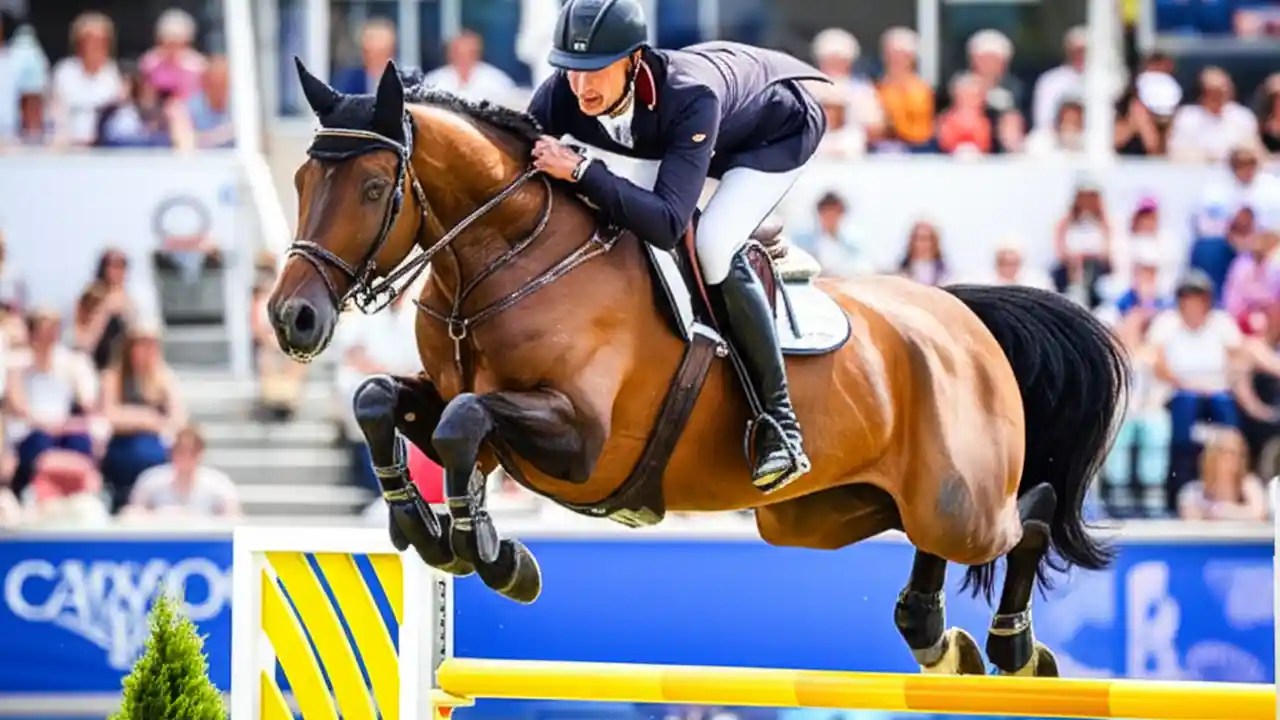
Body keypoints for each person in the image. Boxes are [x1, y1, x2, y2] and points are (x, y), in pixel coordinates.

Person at [527, 0, 828, 492]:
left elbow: (667, 223)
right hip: (688, 139)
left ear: (634, 60)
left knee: (712, 245)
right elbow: (518, 153)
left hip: (773, 136)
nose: (581, 87)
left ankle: (780, 424)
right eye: (571, 70)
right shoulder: (565, 91)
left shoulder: (689, 95)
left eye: (596, 71)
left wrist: (582, 170)